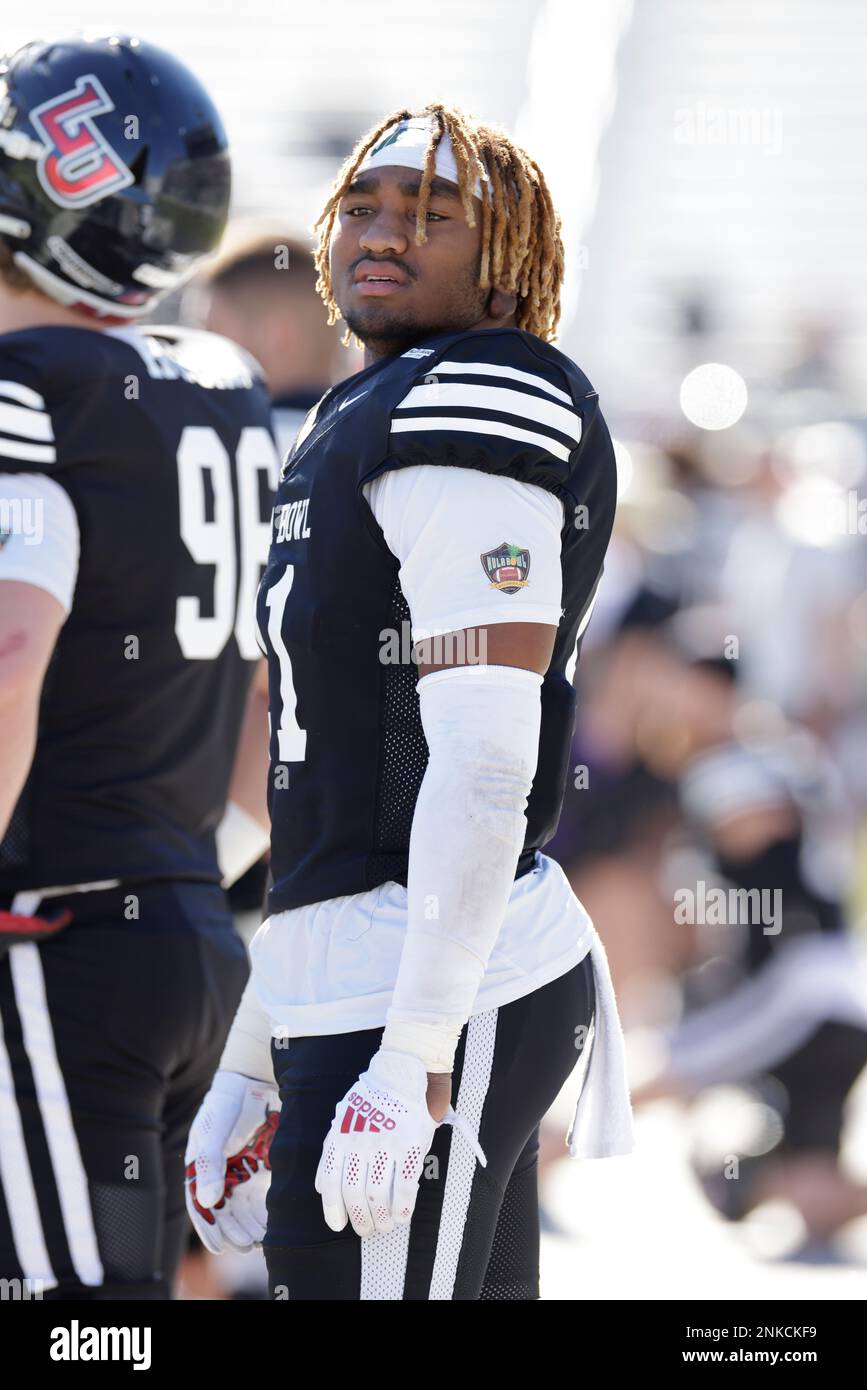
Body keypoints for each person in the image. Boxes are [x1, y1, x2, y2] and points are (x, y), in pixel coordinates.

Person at [186, 104, 634, 1301]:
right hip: (373, 967)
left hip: (435, 985)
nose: (385, 235)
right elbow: (323, 774)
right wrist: (255, 1047)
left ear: (510, 258)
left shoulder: (472, 398)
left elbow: (486, 762)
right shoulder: (362, 407)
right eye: (367, 208)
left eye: (434, 216)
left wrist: (413, 1056)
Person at [0, 34, 278, 1299]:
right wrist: (179, 873)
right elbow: (275, 693)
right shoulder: (227, 388)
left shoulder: (30, 389)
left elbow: (13, 649)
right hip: (191, 928)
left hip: (54, 932)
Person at [189, 227, 349, 456]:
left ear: (278, 337)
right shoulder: (376, 444)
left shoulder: (220, 451)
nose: (197, 352)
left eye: (211, 331)